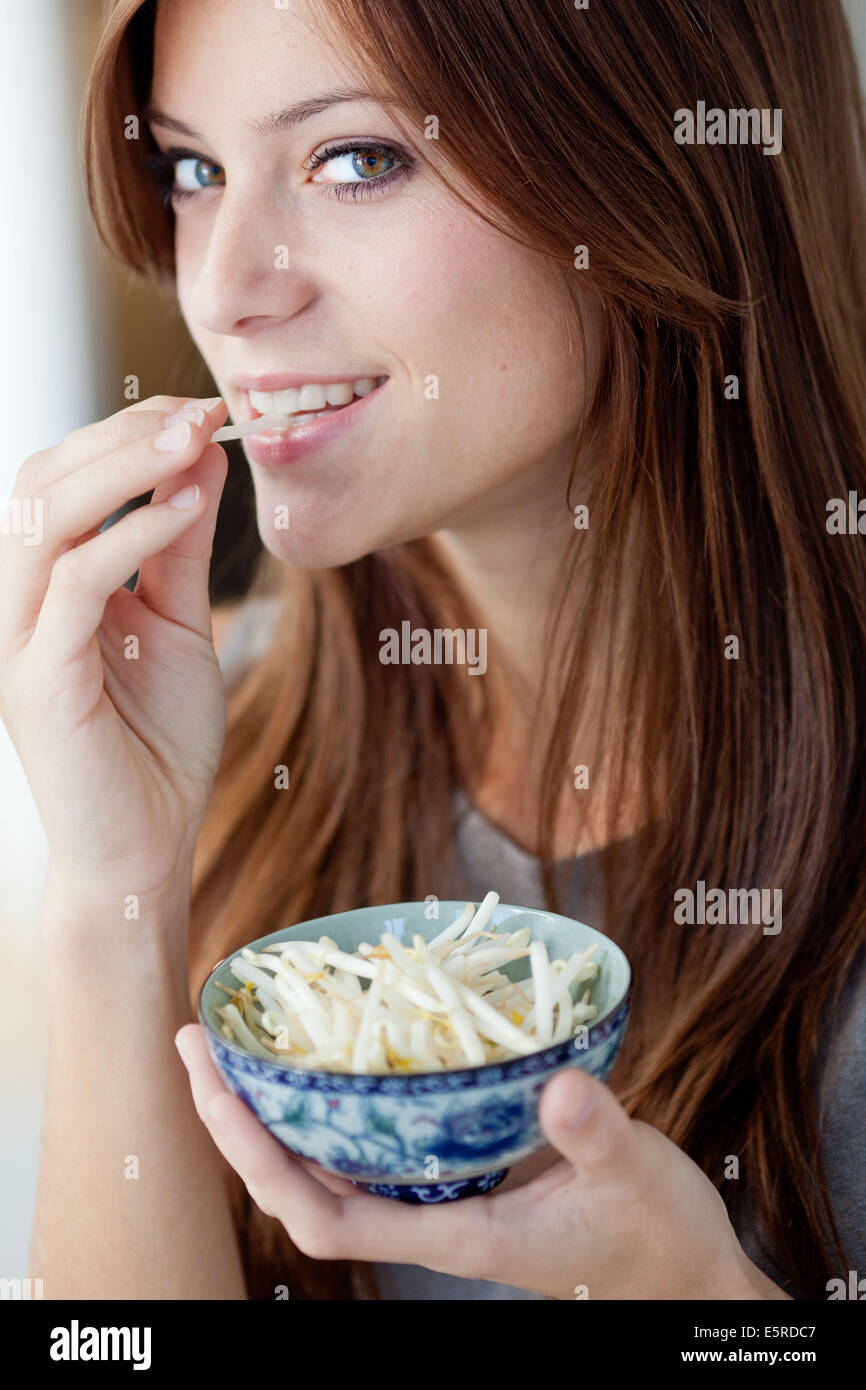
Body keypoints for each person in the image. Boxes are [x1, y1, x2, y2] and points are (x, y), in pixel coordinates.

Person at [3, 0, 865, 1300]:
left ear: (662, 164)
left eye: (355, 159)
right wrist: (112, 899)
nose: (224, 292)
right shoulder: (203, 730)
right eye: (193, 168)